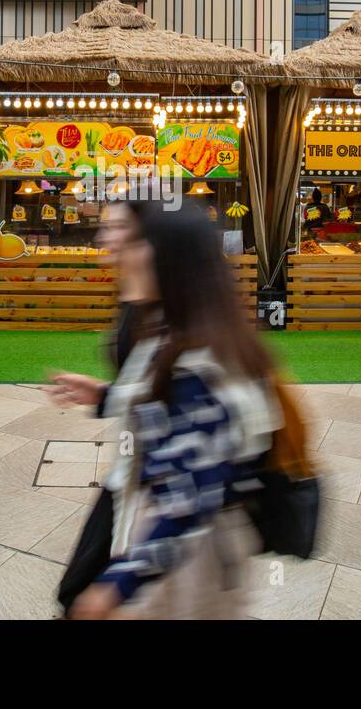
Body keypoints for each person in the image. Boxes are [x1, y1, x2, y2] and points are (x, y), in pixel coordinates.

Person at [53, 202, 282, 619]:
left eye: (136, 241)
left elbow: (189, 501)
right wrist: (103, 396)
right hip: (165, 539)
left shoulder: (201, 363)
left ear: (171, 261)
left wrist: (111, 590)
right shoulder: (171, 329)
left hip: (191, 566)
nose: (120, 251)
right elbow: (155, 400)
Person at [47, 200, 160, 616]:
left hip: (159, 474)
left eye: (115, 227)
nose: (101, 236)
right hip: (132, 466)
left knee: (85, 591)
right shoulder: (135, 290)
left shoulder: (169, 306)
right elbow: (149, 379)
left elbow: (179, 386)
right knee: (78, 590)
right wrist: (103, 394)